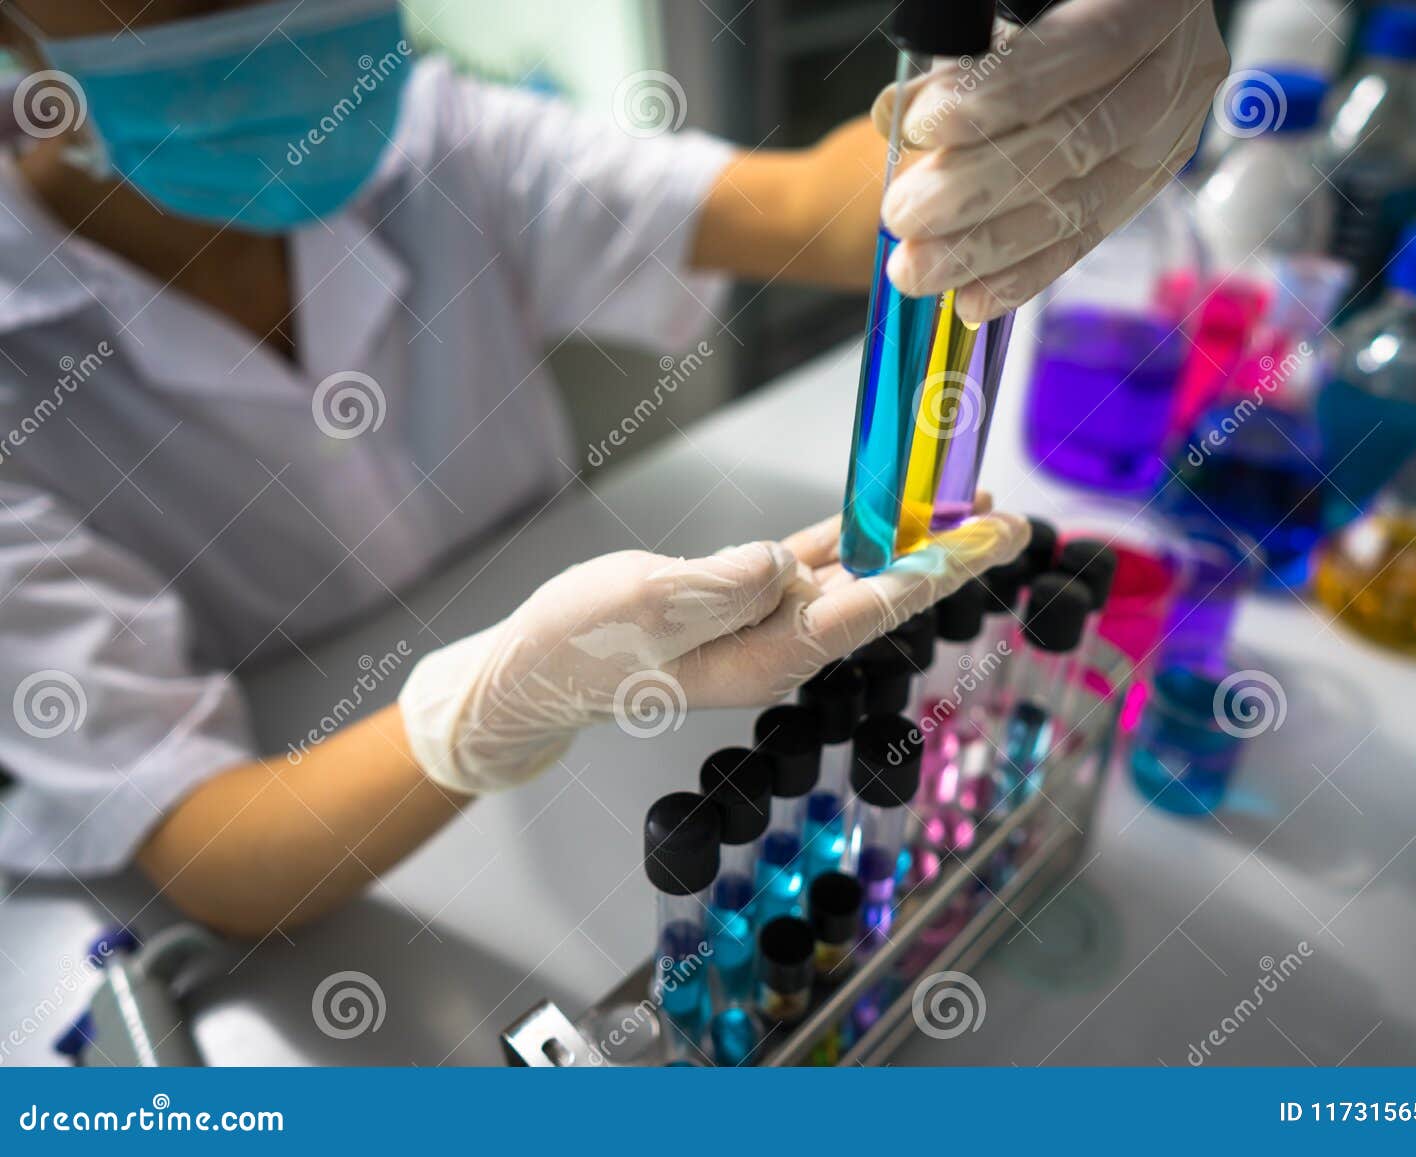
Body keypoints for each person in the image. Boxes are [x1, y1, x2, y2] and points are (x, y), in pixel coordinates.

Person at [0, 0, 1226, 936]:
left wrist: (1032, 101)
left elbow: (813, 200)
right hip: (360, 852)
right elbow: (208, 850)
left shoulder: (442, 137)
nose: (267, 18)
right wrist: (495, 706)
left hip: (598, 807)